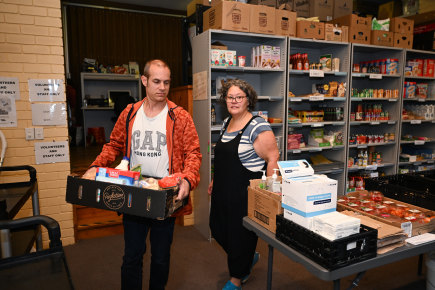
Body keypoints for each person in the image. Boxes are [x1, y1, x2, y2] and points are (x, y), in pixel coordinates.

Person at [82, 59, 202, 290]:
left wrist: (188, 179)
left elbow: (193, 153)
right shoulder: (129, 113)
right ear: (144, 80)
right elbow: (113, 144)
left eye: (166, 82)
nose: (162, 87)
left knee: (160, 257)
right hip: (134, 190)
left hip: (164, 193)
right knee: (132, 255)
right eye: (156, 81)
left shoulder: (181, 116)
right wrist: (95, 166)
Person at [208, 79, 280, 290]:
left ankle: (237, 279)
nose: (234, 101)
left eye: (239, 97)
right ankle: (248, 258)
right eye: (230, 97)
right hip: (222, 190)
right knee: (218, 228)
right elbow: (220, 158)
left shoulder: (258, 125)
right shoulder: (226, 123)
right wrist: (213, 179)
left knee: (239, 236)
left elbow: (273, 157)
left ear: (248, 100)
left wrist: (269, 192)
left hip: (243, 194)